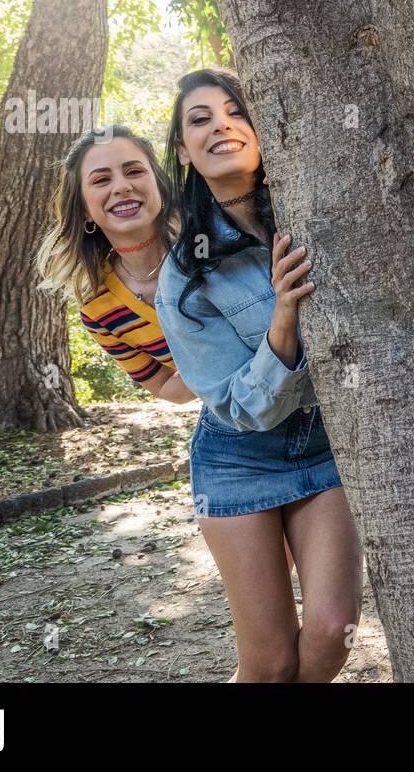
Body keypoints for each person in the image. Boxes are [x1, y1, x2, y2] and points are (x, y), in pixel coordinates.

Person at [154, 67, 362, 683]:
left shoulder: (314, 217)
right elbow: (242, 408)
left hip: (325, 449)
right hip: (238, 460)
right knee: (269, 664)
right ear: (185, 150)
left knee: (330, 630)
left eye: (234, 111)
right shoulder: (183, 277)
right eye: (199, 119)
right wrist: (283, 317)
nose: (220, 125)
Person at [37, 125, 195, 403]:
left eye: (134, 171)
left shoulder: (209, 242)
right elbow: (162, 387)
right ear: (85, 209)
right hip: (232, 415)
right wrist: (214, 373)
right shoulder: (100, 310)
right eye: (100, 180)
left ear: (159, 184)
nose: (122, 187)